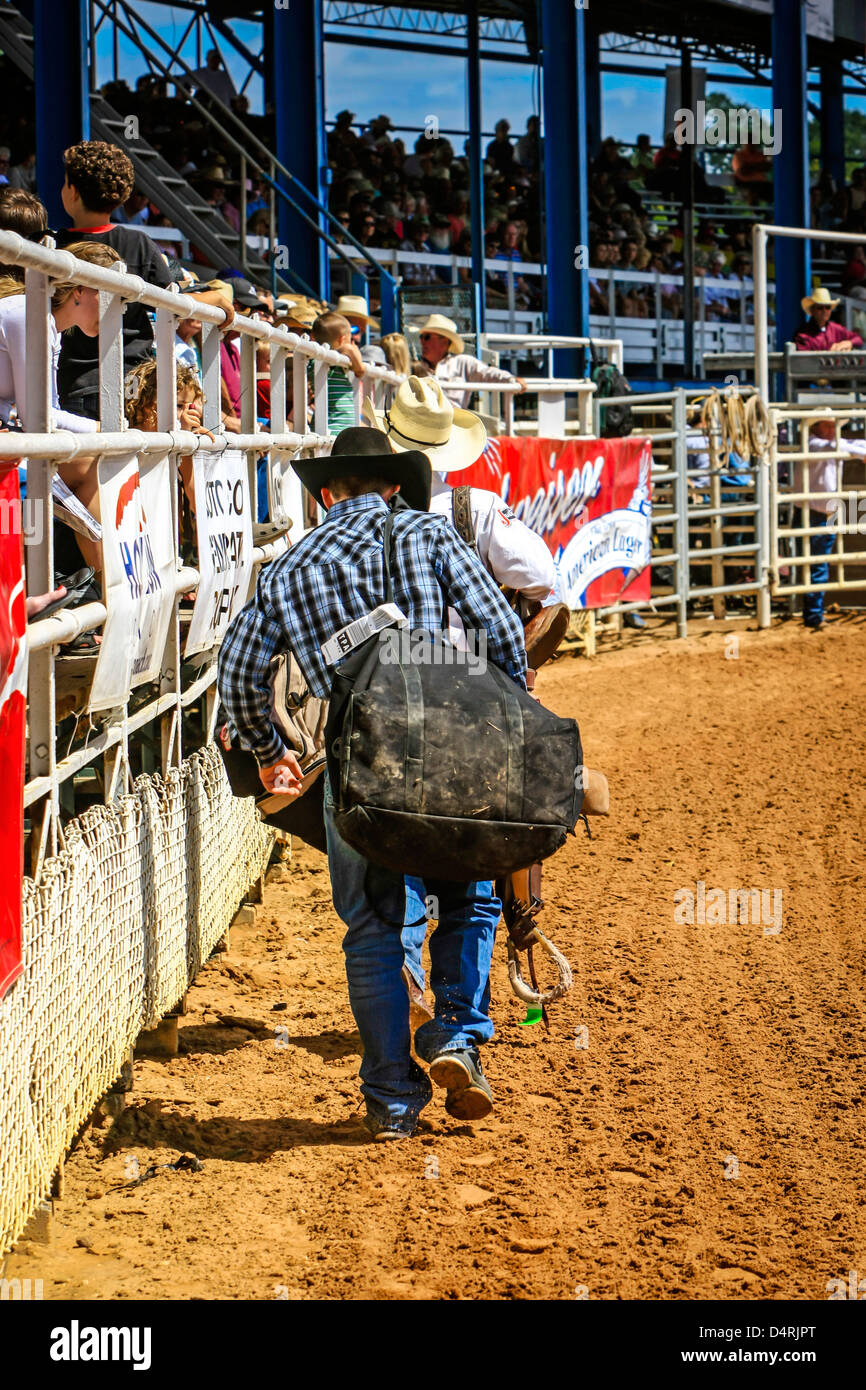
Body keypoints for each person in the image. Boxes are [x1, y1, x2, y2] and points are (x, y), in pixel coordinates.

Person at [218, 427, 530, 1139]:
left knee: (372, 929)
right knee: (470, 895)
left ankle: (391, 1103)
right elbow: (500, 631)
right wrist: (513, 703)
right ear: (393, 485)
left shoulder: (289, 569)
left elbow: (237, 674)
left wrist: (268, 753)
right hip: (447, 737)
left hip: (358, 755)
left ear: (327, 494)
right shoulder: (428, 534)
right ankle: (453, 1034)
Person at [55, 141, 173, 421]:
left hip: (77, 384)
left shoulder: (54, 247)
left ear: (72, 191)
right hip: (136, 382)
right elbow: (172, 301)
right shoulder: (140, 244)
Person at [794, 417, 866, 629]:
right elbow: (846, 446)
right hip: (812, 512)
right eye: (827, 425)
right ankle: (813, 615)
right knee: (816, 563)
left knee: (820, 563)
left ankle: (815, 613)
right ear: (815, 427)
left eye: (834, 425)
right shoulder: (814, 444)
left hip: (824, 511)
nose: (833, 428)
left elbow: (852, 445)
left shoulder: (832, 444)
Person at [311, 310, 365, 431]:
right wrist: (359, 366)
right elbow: (359, 368)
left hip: (323, 424)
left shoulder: (313, 360)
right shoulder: (333, 360)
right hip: (338, 426)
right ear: (341, 339)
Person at [794, 287, 864, 353]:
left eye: (827, 307)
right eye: (820, 307)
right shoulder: (802, 335)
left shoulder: (836, 329)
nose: (824, 311)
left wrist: (848, 343)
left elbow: (858, 339)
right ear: (812, 310)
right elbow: (804, 361)